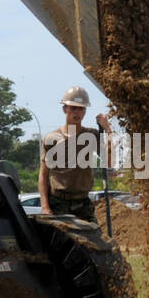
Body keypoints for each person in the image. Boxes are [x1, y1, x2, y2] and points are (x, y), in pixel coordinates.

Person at [39, 86, 112, 222]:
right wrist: (45, 207)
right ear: (64, 109)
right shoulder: (52, 138)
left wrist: (107, 129)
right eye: (73, 108)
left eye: (81, 108)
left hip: (82, 204)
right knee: (60, 242)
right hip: (58, 203)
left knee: (95, 241)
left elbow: (109, 160)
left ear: (85, 112)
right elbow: (43, 175)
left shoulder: (92, 135)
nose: (77, 112)